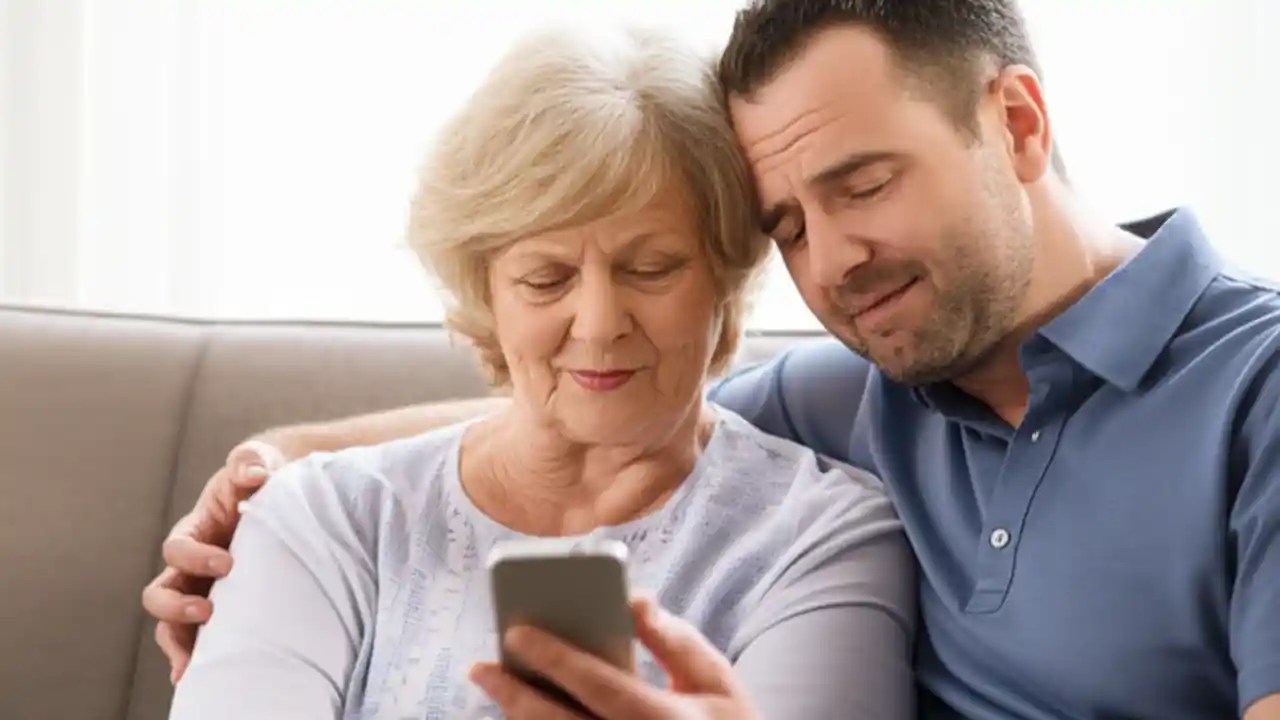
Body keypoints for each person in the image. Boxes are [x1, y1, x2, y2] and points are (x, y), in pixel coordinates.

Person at [147, 0, 1280, 717]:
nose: (832, 261)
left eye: (864, 183)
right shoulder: (862, 392)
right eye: (787, 223)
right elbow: (594, 407)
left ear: (1018, 123)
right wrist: (278, 463)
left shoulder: (1255, 390)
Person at [161, 23, 915, 720]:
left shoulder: (824, 537)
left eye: (650, 269)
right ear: (485, 293)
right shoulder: (324, 519)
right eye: (546, 279)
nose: (598, 323)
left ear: (724, 275)